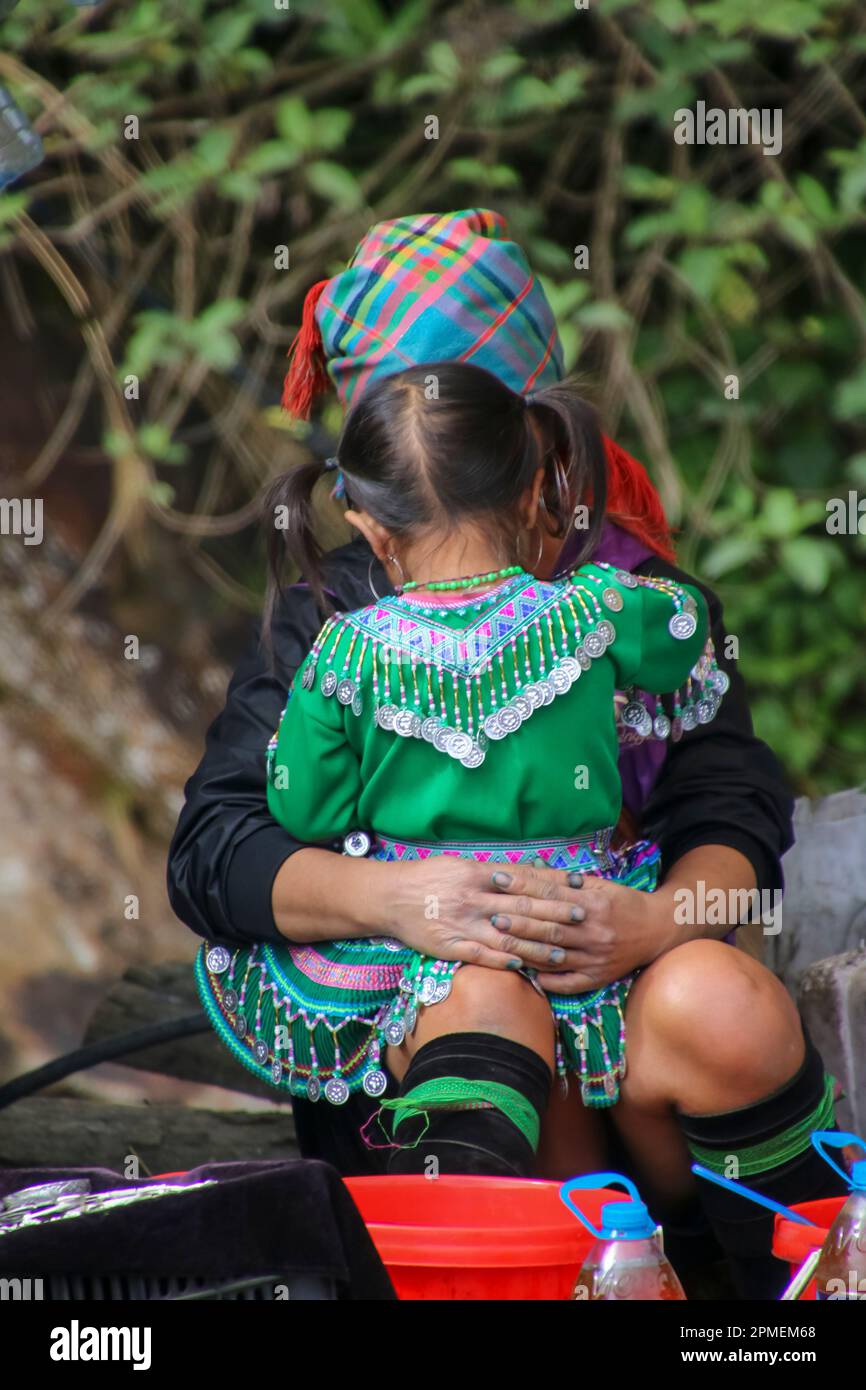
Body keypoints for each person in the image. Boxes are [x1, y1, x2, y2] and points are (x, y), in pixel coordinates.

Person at [169, 209, 844, 1297]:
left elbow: (734, 806)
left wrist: (656, 921)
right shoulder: (325, 625)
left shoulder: (641, 599)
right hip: (440, 1051)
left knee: (713, 997)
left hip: (634, 1043)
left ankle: (760, 1292)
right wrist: (398, 899)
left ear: (541, 455)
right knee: (487, 998)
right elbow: (215, 851)